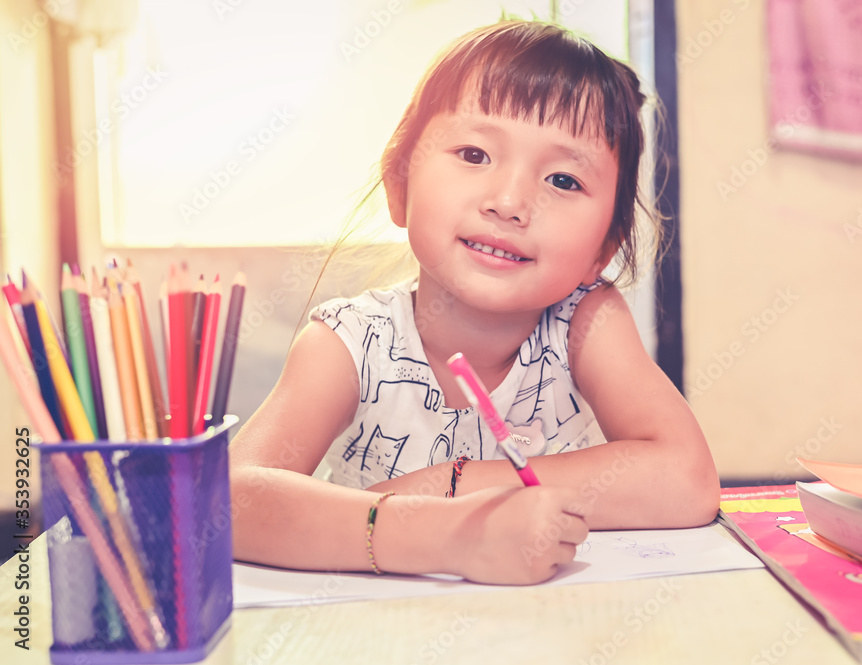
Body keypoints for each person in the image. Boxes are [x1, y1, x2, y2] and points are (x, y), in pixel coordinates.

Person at [229, 19, 719, 585]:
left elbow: (687, 479)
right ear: (399, 182)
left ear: (602, 250)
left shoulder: (585, 321)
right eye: (473, 153)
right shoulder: (350, 343)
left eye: (563, 181)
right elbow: (231, 502)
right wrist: (448, 535)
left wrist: (449, 484)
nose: (509, 202)